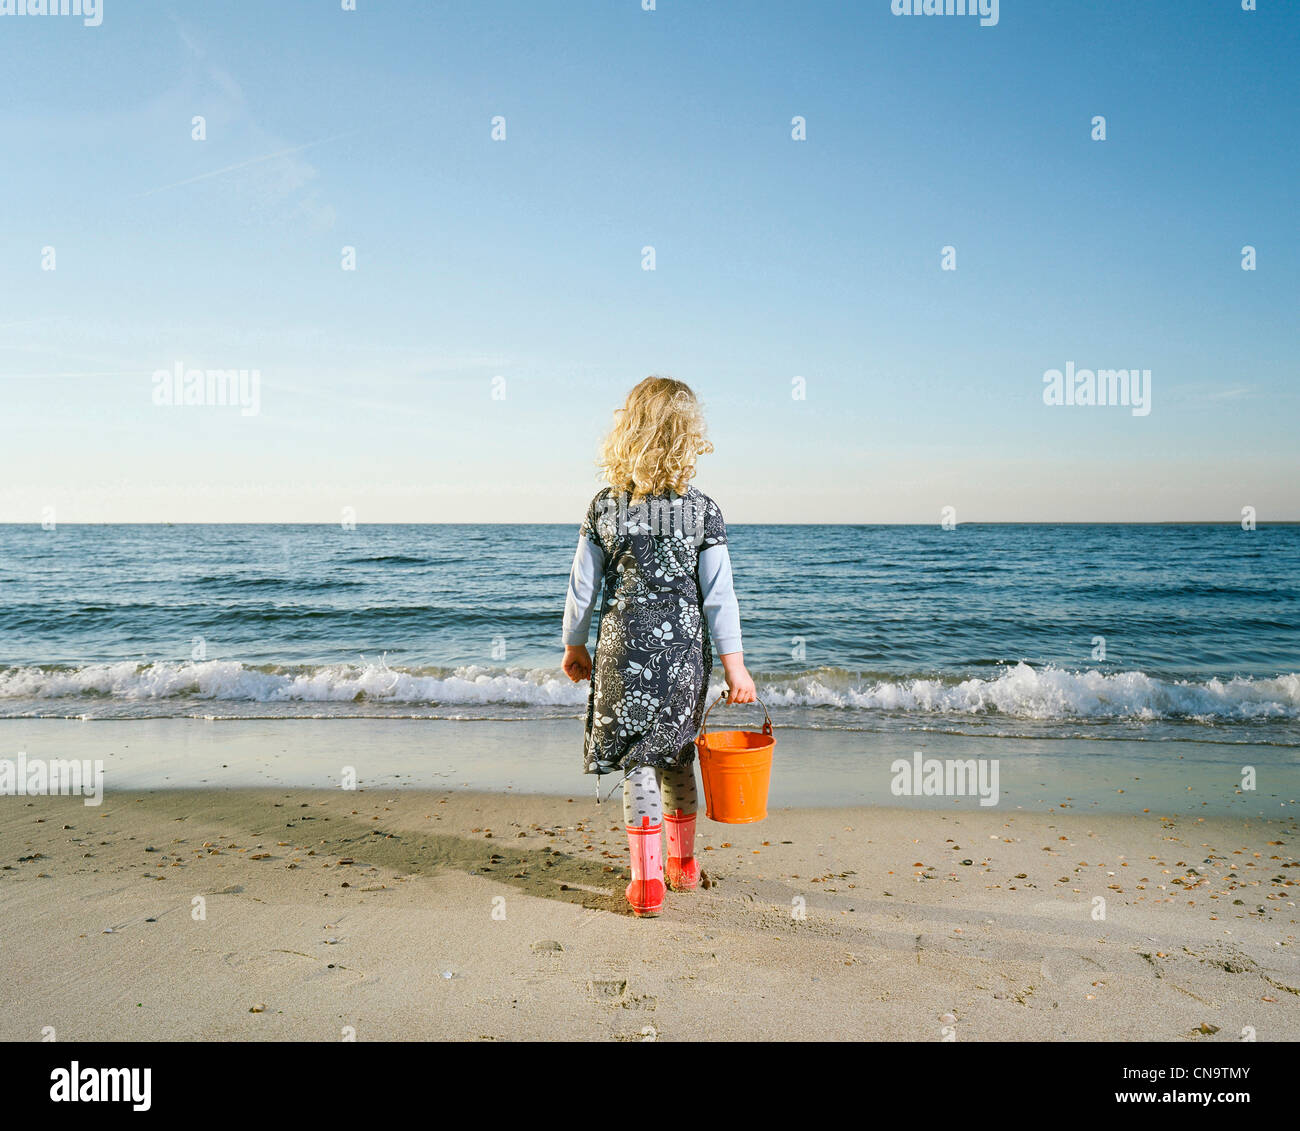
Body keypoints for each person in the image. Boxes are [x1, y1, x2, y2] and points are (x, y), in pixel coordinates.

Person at [561, 376, 755, 917]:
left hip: (624, 652)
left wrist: (574, 646)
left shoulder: (605, 507)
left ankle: (646, 884)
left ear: (628, 431)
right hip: (683, 657)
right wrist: (735, 668)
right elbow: (720, 597)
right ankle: (684, 867)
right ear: (688, 437)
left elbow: (582, 588)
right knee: (676, 754)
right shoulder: (702, 511)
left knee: (636, 763)